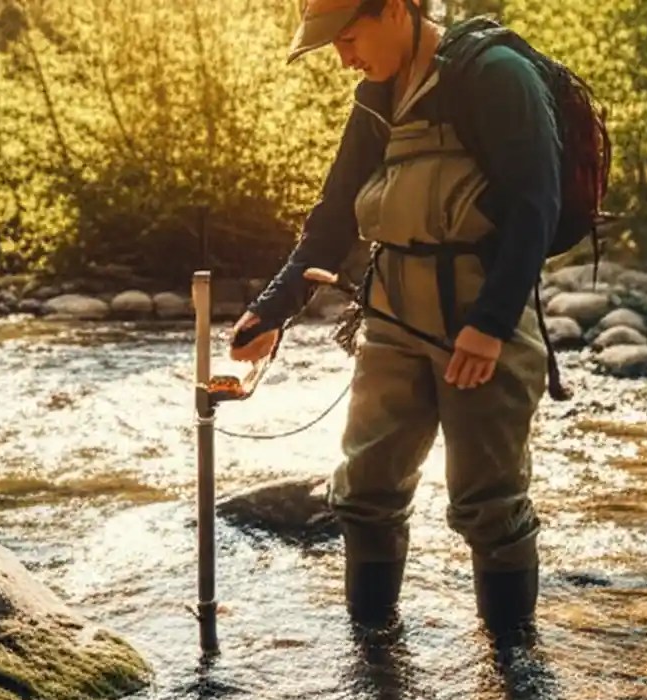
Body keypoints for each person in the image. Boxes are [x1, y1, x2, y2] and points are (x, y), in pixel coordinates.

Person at [229, 0, 563, 640]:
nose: (343, 56)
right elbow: (330, 221)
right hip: (389, 313)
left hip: (477, 313)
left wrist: (490, 324)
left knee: (488, 501)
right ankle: (372, 649)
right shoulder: (374, 96)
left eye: (348, 37)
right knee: (365, 489)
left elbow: (536, 206)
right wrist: (272, 311)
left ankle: (512, 663)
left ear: (395, 11)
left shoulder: (494, 74)